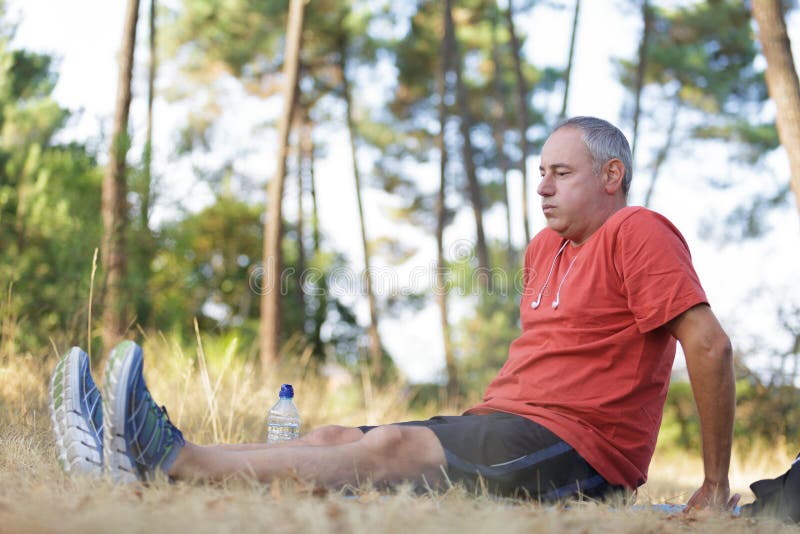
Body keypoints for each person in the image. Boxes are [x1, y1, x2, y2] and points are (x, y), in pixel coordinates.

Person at [49, 116, 737, 509]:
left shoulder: (637, 230)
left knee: (390, 451)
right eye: (540, 172)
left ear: (612, 176)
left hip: (581, 451)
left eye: (562, 173)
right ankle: (139, 453)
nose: (543, 187)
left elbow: (709, 347)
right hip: (506, 425)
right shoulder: (544, 248)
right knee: (331, 435)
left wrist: (713, 483)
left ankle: (168, 460)